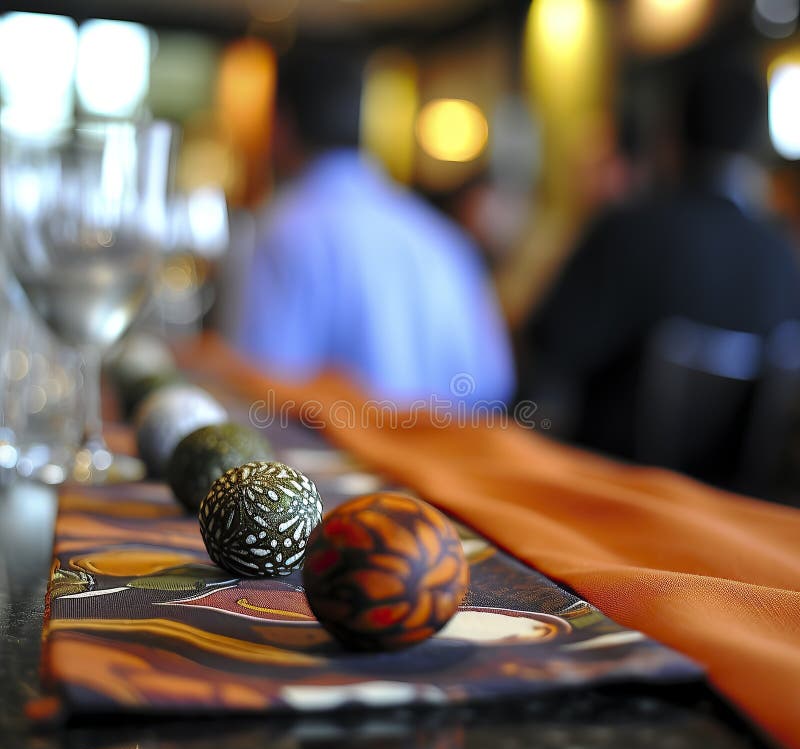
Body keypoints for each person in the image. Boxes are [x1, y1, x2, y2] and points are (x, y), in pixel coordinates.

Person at [517, 56, 800, 466]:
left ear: (671, 130)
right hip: (732, 512)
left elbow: (545, 348)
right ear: (756, 140)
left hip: (601, 497)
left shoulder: (628, 230)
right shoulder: (781, 258)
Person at [235, 43, 514, 405]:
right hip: (443, 457)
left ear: (280, 126)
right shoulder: (440, 236)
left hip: (323, 460)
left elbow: (259, 389)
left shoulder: (284, 228)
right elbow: (493, 383)